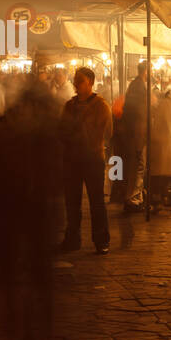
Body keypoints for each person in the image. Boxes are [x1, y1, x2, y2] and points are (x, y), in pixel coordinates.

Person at [0, 83, 62, 340]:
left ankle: (17, 330)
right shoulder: (49, 129)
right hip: (38, 208)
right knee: (40, 273)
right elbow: (69, 160)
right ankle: (41, 337)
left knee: (11, 268)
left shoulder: (0, 126)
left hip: (10, 206)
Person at [58, 67, 113, 254]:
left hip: (92, 160)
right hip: (72, 160)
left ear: (90, 82)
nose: (76, 84)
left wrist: (81, 133)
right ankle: (72, 239)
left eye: (79, 80)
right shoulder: (69, 105)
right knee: (72, 202)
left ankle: (101, 240)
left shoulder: (100, 106)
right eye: (75, 80)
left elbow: (105, 133)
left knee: (96, 201)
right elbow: (62, 130)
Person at [119, 61, 149, 213]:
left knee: (138, 166)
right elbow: (138, 113)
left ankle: (135, 197)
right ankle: (132, 199)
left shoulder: (137, 85)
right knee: (137, 166)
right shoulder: (139, 87)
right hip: (137, 134)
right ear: (146, 71)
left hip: (137, 133)